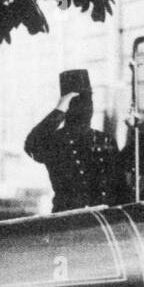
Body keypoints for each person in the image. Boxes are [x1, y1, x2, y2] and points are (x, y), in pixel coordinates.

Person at [24, 69, 130, 211]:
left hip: (103, 221)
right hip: (69, 223)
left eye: (89, 101)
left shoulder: (104, 139)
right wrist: (58, 111)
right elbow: (31, 145)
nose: (86, 107)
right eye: (77, 102)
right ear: (67, 106)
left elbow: (121, 185)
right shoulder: (56, 141)